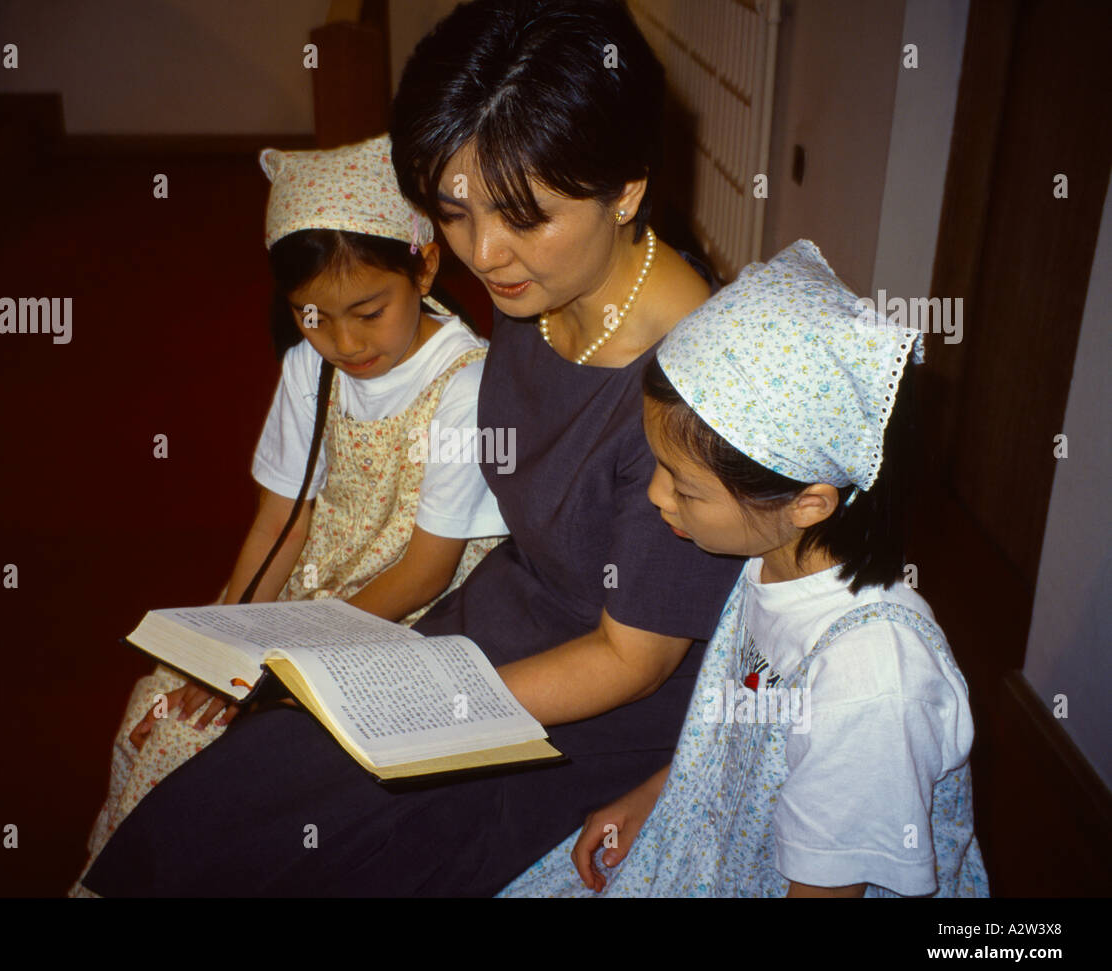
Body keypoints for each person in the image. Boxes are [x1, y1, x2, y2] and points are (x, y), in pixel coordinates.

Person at [79, 0, 743, 897]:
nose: (485, 254)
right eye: (456, 213)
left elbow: (635, 660)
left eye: (522, 216)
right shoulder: (546, 286)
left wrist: (423, 704)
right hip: (497, 624)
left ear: (626, 187)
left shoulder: (694, 386)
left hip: (594, 700)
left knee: (338, 849)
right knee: (233, 796)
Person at [69, 134, 506, 896]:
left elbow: (426, 570)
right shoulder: (311, 366)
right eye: (313, 316)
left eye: (368, 311)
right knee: (160, 701)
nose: (342, 342)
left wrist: (273, 668)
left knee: (211, 749)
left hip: (414, 626)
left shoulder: (466, 386)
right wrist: (218, 646)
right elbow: (279, 525)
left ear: (425, 264)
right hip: (321, 609)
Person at [501, 240, 990, 897]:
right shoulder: (768, 556)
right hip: (716, 838)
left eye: (684, 486)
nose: (654, 497)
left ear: (807, 501)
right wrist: (655, 794)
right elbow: (736, 728)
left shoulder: (871, 682)